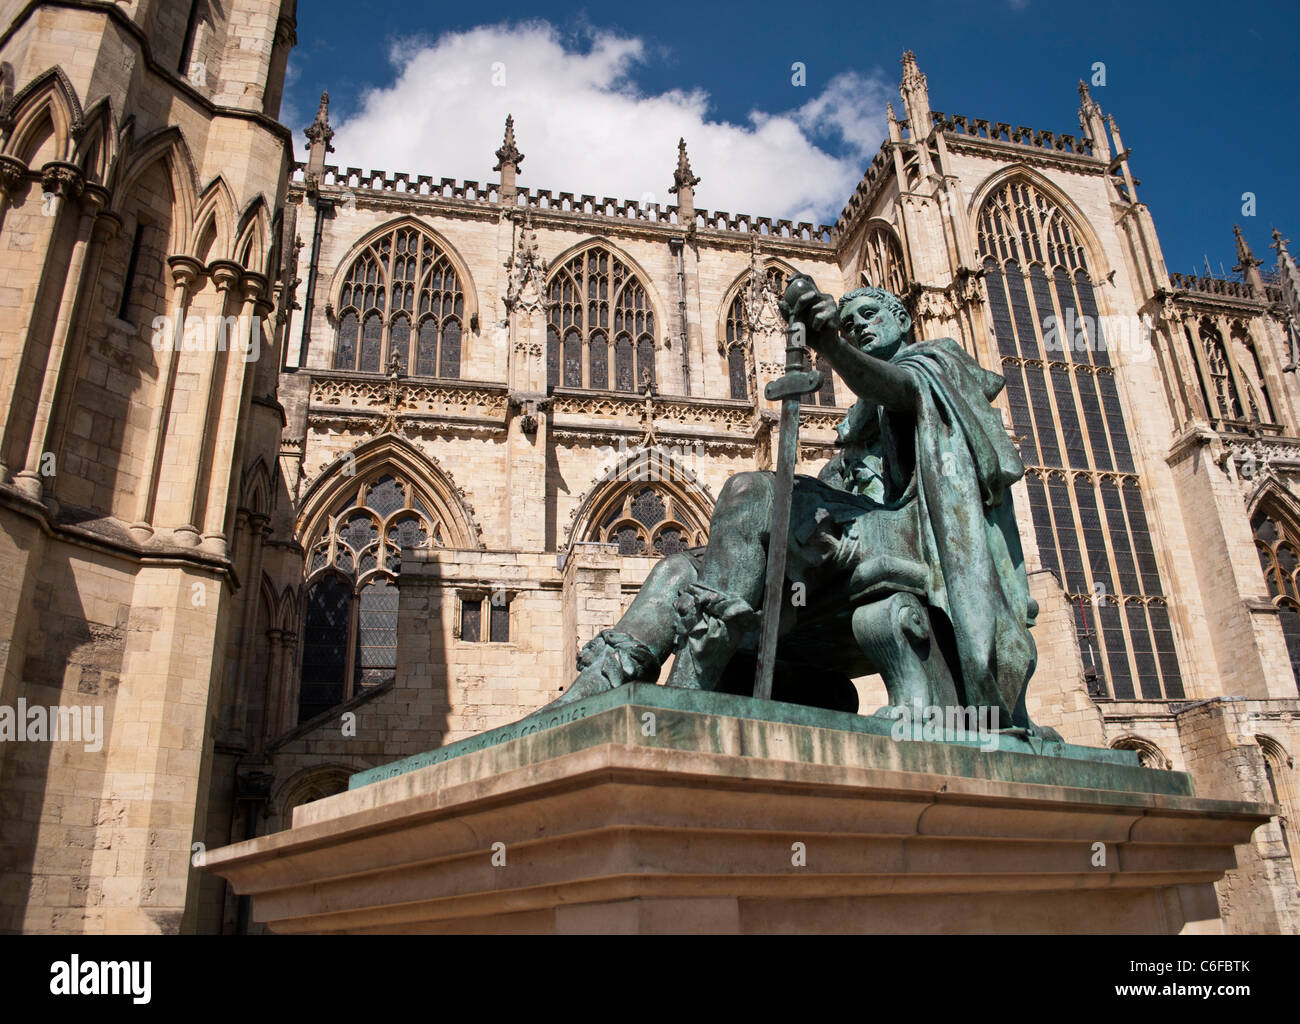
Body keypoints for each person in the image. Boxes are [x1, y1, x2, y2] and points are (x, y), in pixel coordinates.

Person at [544, 280, 1042, 733]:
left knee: (750, 491)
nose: (859, 327)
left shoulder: (938, 362)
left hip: (910, 531)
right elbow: (835, 491)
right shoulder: (854, 427)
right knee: (676, 569)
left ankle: (689, 690)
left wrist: (830, 344)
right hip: (852, 537)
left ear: (904, 319)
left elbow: (897, 388)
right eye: (849, 323)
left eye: (870, 315)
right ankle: (590, 693)